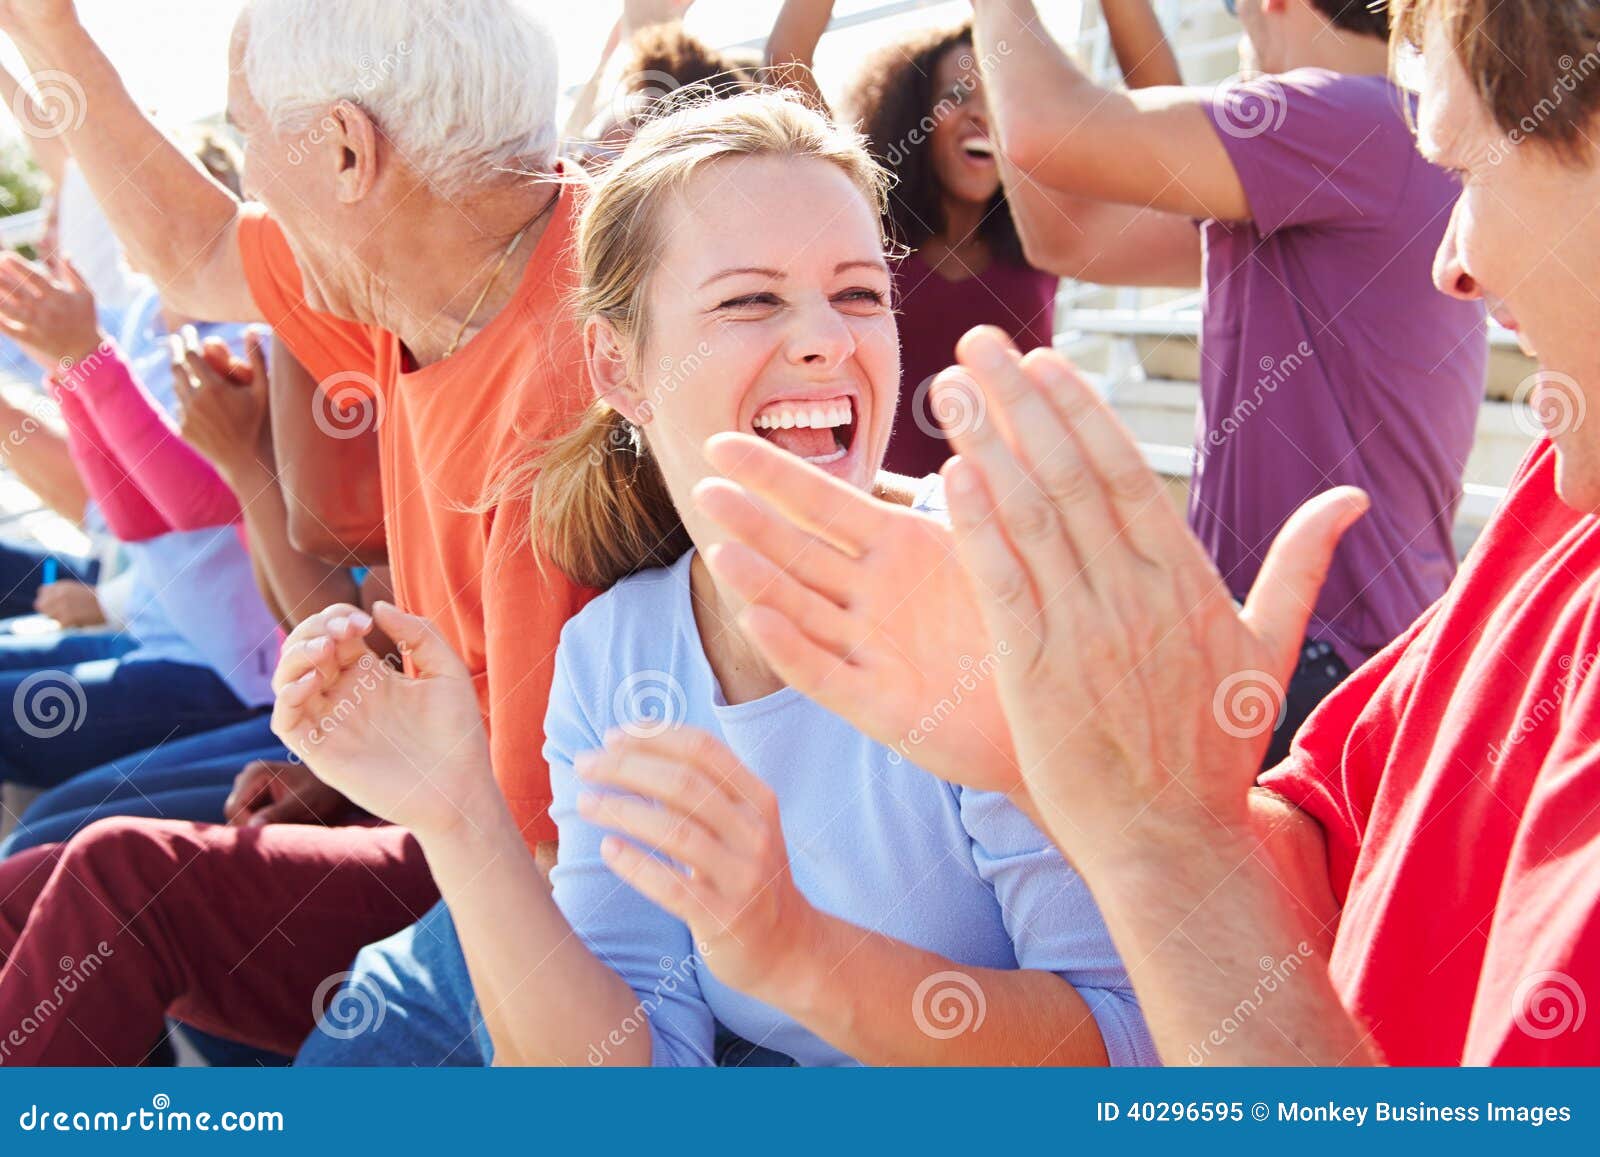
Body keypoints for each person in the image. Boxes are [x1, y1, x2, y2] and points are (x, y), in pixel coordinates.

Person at [689, 0, 1600, 1066]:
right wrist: (1068, 758)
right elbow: (1322, 870)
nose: (1449, 259)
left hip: (1316, 646)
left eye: (1469, 169)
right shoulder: (1559, 492)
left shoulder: (1334, 116)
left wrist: (1158, 842)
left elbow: (1058, 141)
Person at [270, 91, 1154, 1068]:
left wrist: (799, 953)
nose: (826, 338)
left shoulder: (996, 589)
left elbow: (1134, 1050)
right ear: (617, 366)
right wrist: (456, 810)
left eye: (858, 293)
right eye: (750, 299)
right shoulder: (614, 656)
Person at [0, 0, 591, 1064]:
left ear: (348, 149)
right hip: (472, 813)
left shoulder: (561, 411)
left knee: (118, 879)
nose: (248, 185)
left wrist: (366, 776)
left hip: (550, 903)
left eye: (249, 139)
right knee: (57, 876)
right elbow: (194, 248)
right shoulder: (422, 265)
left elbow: (542, 860)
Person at [968, 0, 1488, 765]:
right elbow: (1066, 232)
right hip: (1344, 655)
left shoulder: (1338, 118)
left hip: (1319, 660)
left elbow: (1046, 131)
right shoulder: (1366, 143)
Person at [763, 1, 1176, 478]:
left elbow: (1167, 131)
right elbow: (784, 60)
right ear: (911, 116)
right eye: (956, 96)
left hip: (1016, 524)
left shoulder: (1049, 230)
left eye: (999, 97)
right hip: (886, 520)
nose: (981, 114)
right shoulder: (868, 222)